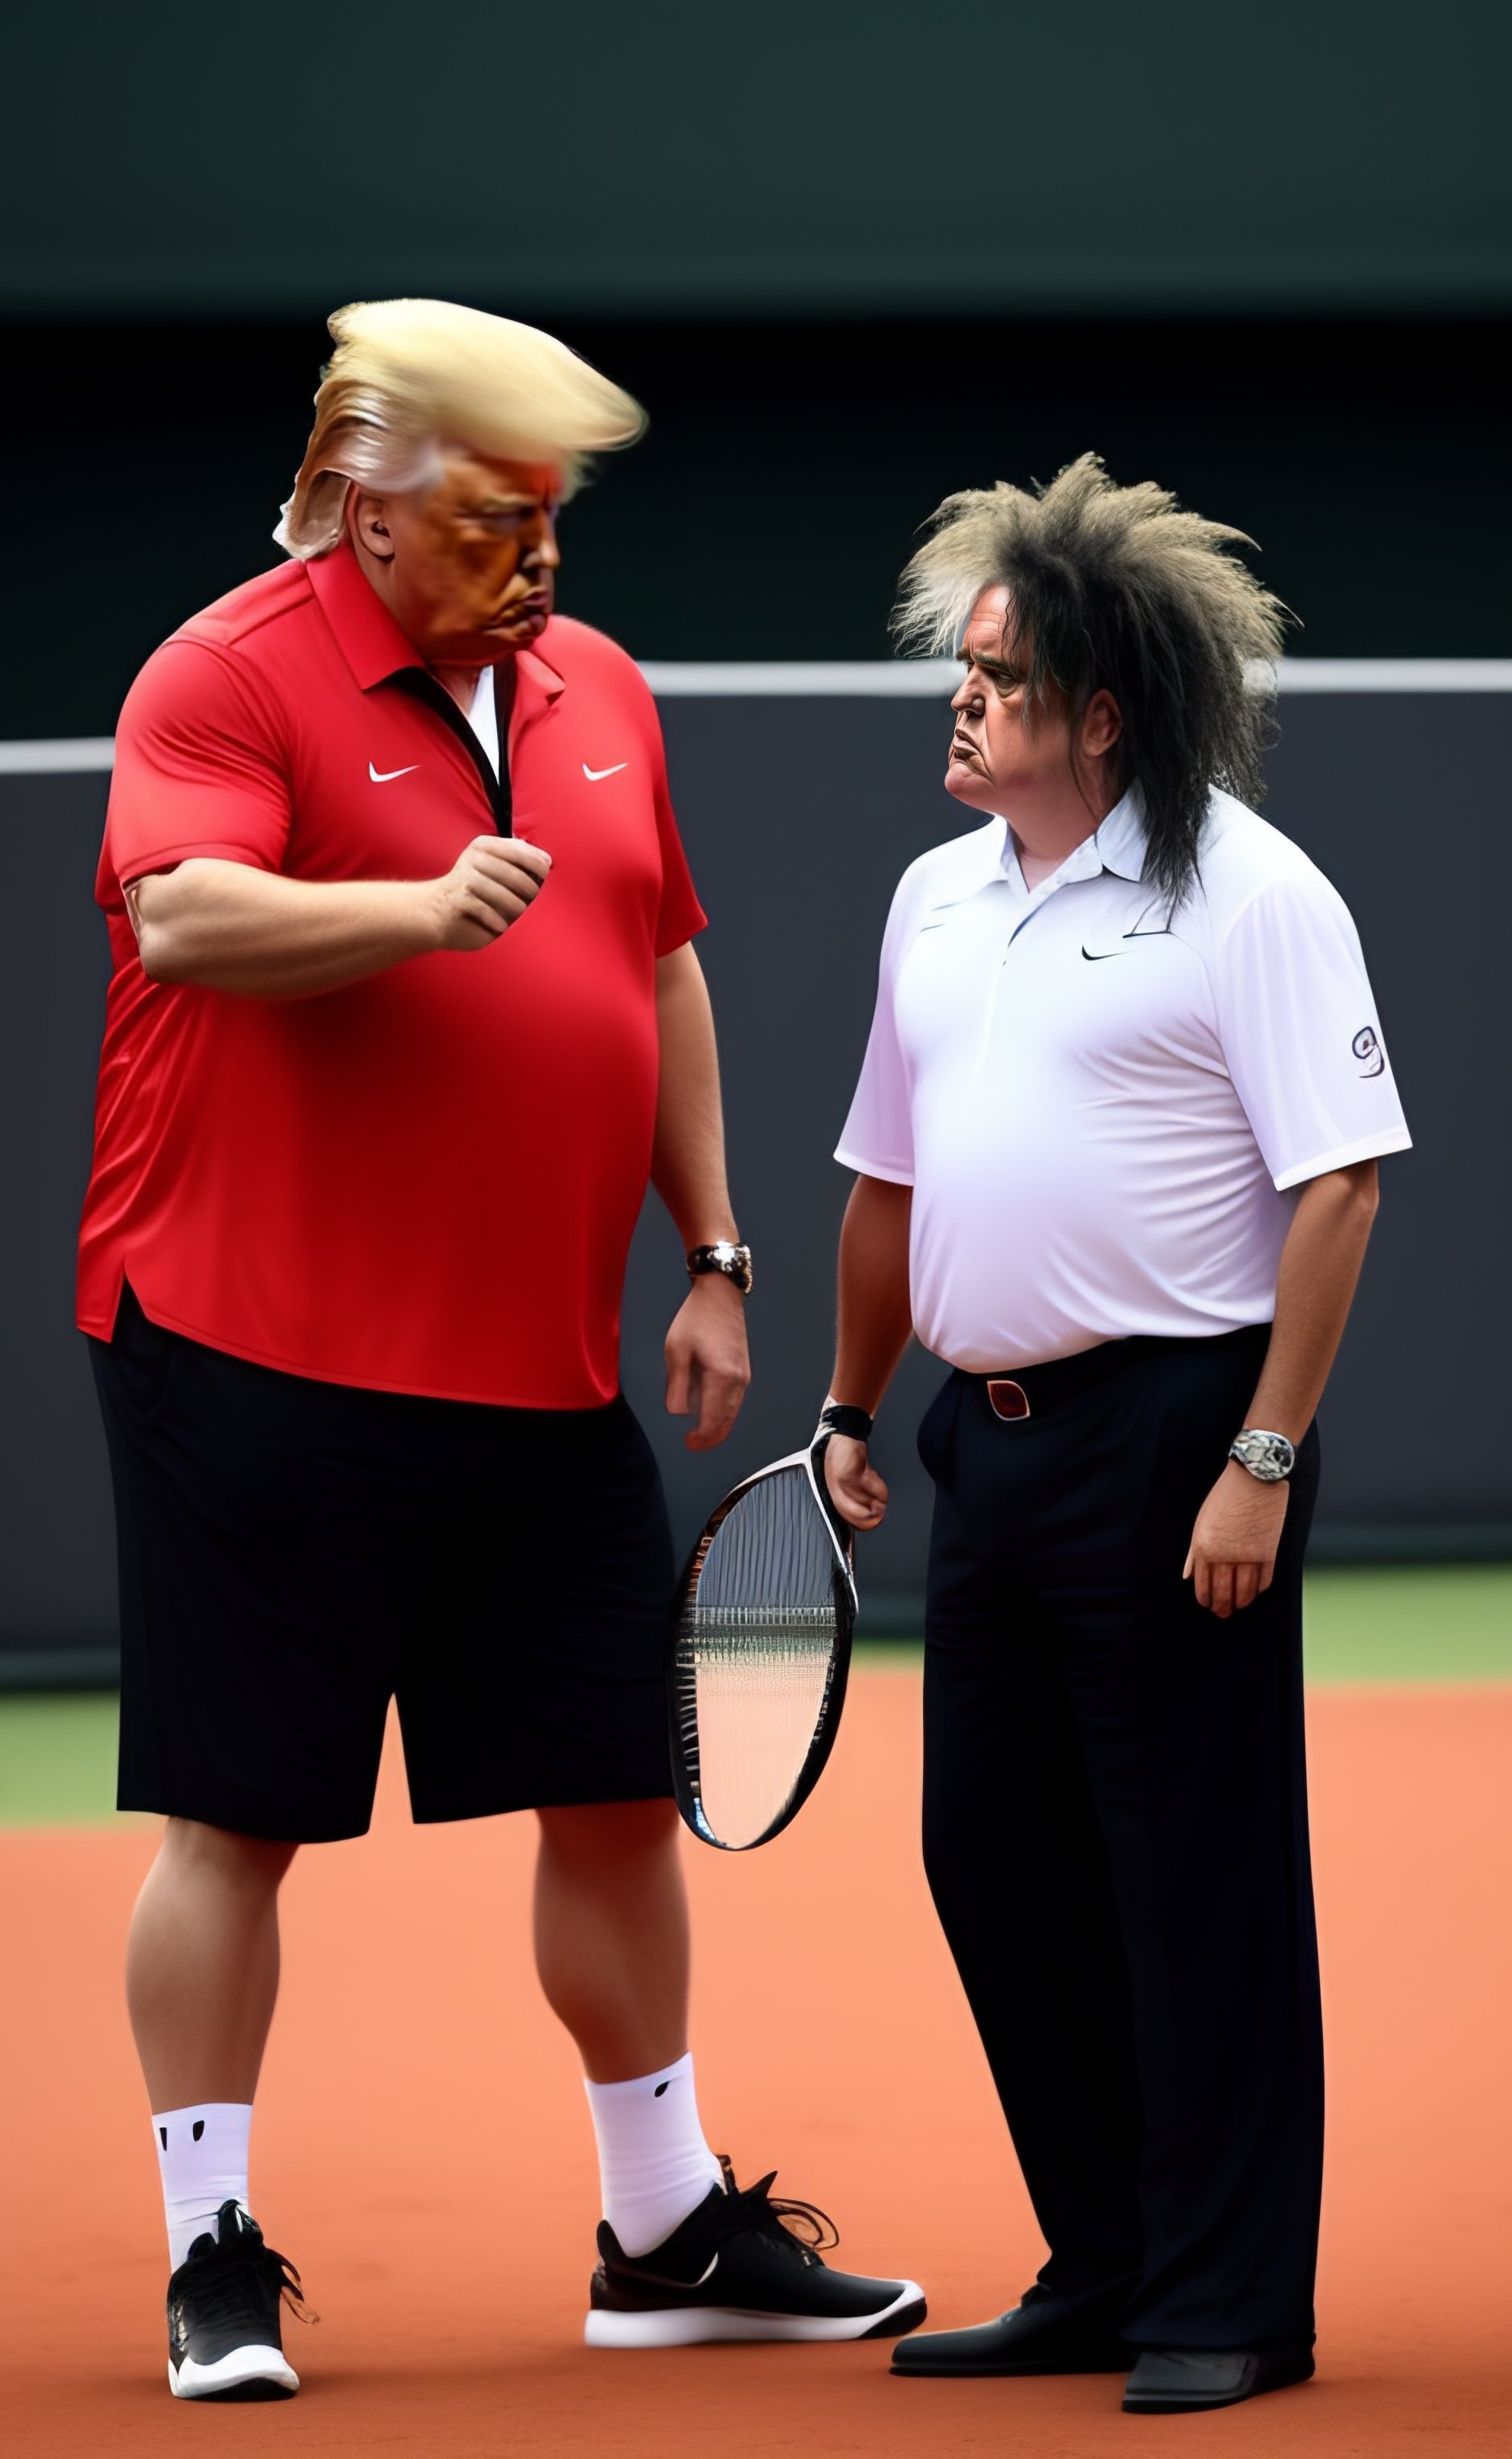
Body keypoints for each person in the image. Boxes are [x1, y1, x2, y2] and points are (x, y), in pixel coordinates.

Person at [78, 299, 923, 2404]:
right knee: (233, 1822)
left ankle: (661, 2233)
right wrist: (412, 909)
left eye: (553, 515)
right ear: (361, 504)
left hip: (533, 1372)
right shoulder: (221, 673)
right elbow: (181, 916)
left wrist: (714, 1248)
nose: (537, 557)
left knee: (622, 1795)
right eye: (486, 518)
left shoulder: (602, 689)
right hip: (248, 1347)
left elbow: (658, 967)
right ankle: (212, 2260)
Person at [821, 457, 1410, 2417]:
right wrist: (843, 1397)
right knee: (988, 1852)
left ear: (1102, 711)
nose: (962, 701)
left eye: (998, 675)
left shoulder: (1249, 889)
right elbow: (882, 1182)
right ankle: (1108, 2257)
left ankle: (1231, 2295)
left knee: (1195, 1876)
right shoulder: (931, 899)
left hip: (1175, 1433)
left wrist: (1259, 1455)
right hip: (981, 1446)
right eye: (960, 668)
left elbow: (1336, 1189)